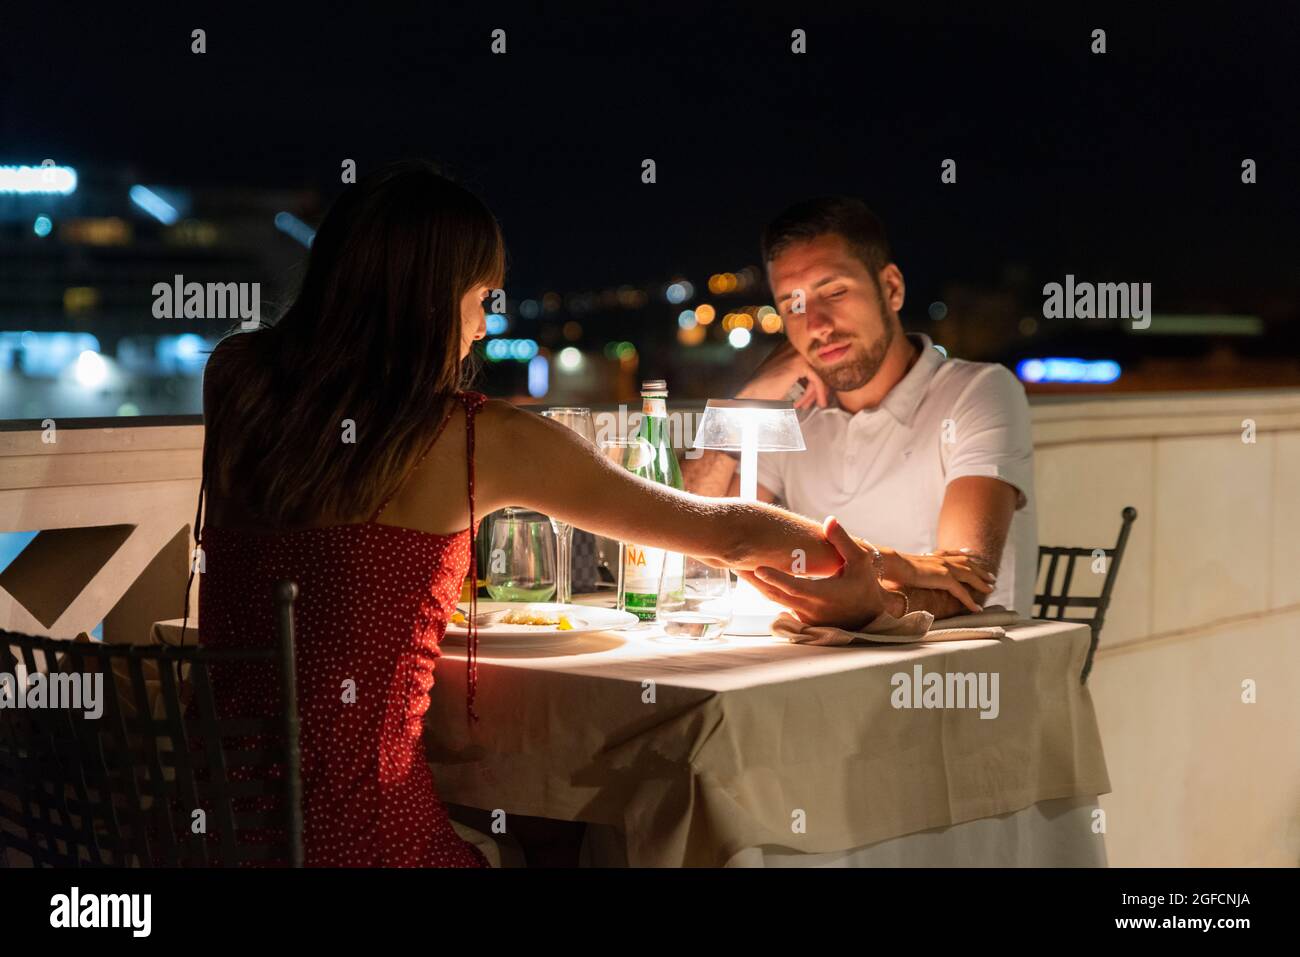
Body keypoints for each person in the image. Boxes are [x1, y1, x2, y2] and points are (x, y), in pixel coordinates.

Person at [196, 162, 978, 867]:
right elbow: (723, 529)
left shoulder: (234, 381)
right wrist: (867, 570)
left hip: (205, 832)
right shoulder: (476, 439)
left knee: (543, 831)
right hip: (363, 847)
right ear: (432, 298)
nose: (482, 326)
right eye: (479, 299)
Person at [683, 195, 1038, 625]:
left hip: (951, 669)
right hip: (819, 659)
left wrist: (863, 590)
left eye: (834, 291)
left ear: (891, 288)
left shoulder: (978, 392)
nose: (816, 324)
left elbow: (968, 579)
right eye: (793, 306)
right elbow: (693, 540)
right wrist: (750, 395)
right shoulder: (793, 411)